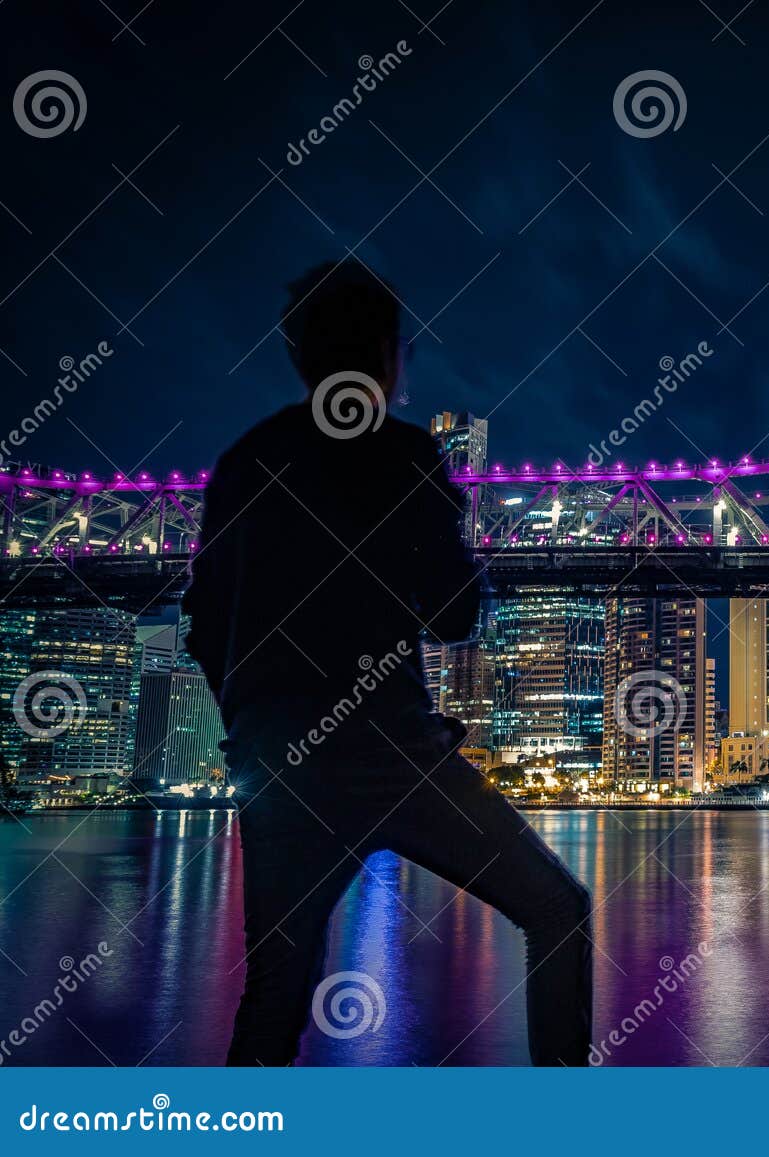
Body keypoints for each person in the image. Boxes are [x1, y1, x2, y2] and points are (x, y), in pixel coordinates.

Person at [183, 262, 591, 1066]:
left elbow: (201, 627)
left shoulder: (242, 461)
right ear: (384, 353)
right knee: (557, 909)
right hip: (395, 758)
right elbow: (453, 617)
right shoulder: (406, 455)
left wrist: (256, 732)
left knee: (272, 999)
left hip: (279, 769)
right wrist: (455, 534)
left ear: (300, 357)